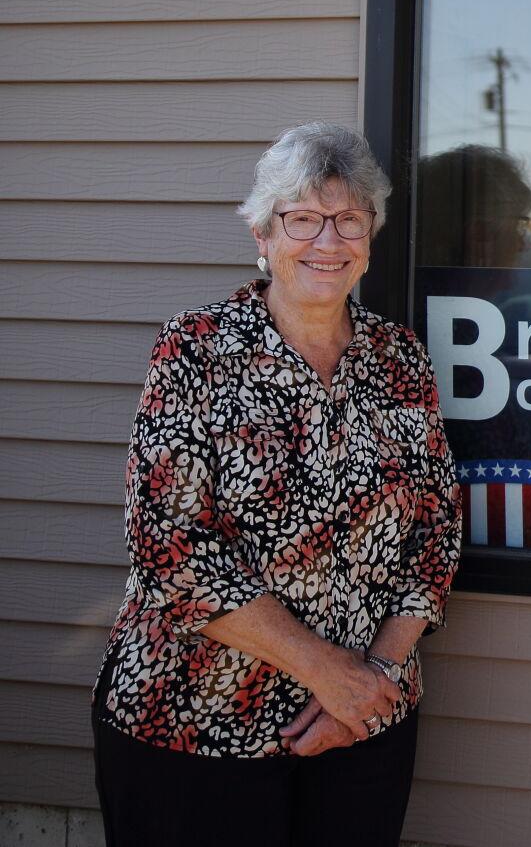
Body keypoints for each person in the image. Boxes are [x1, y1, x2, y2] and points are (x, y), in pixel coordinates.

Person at [91, 122, 461, 847]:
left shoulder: (400, 359)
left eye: (349, 219)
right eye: (302, 219)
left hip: (362, 727)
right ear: (262, 234)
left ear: (369, 239)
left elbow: (436, 533)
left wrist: (372, 680)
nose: (328, 240)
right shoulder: (195, 348)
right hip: (194, 721)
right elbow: (170, 548)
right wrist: (332, 674)